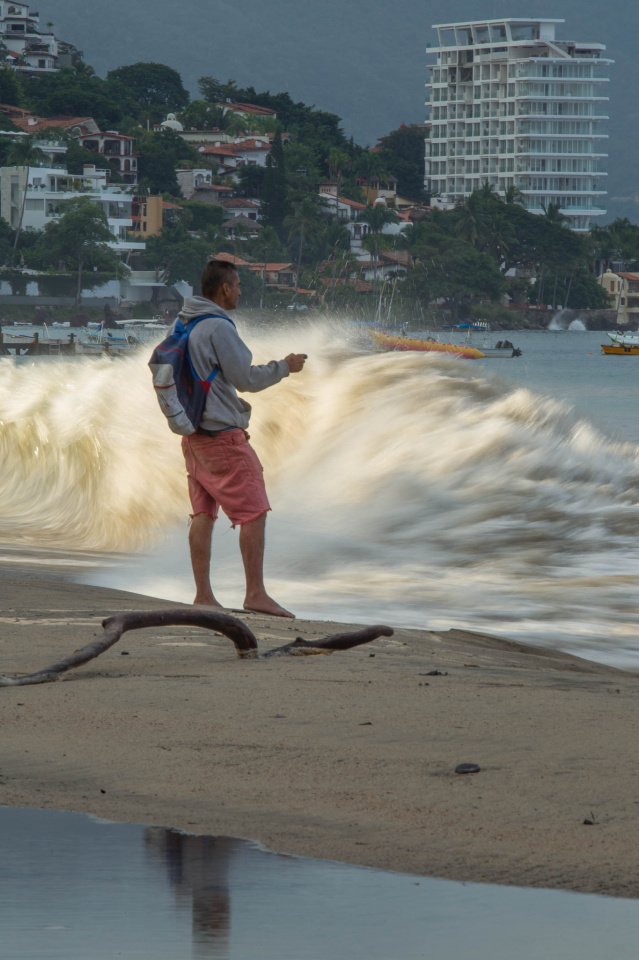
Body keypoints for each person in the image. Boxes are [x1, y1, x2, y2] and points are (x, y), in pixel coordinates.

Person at [178, 259, 306, 618]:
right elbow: (246, 379)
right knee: (254, 512)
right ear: (224, 289)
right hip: (222, 438)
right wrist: (284, 367)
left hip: (193, 435)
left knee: (203, 512)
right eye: (237, 285)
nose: (239, 291)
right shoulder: (218, 326)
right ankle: (255, 594)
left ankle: (204, 595)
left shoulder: (185, 322)